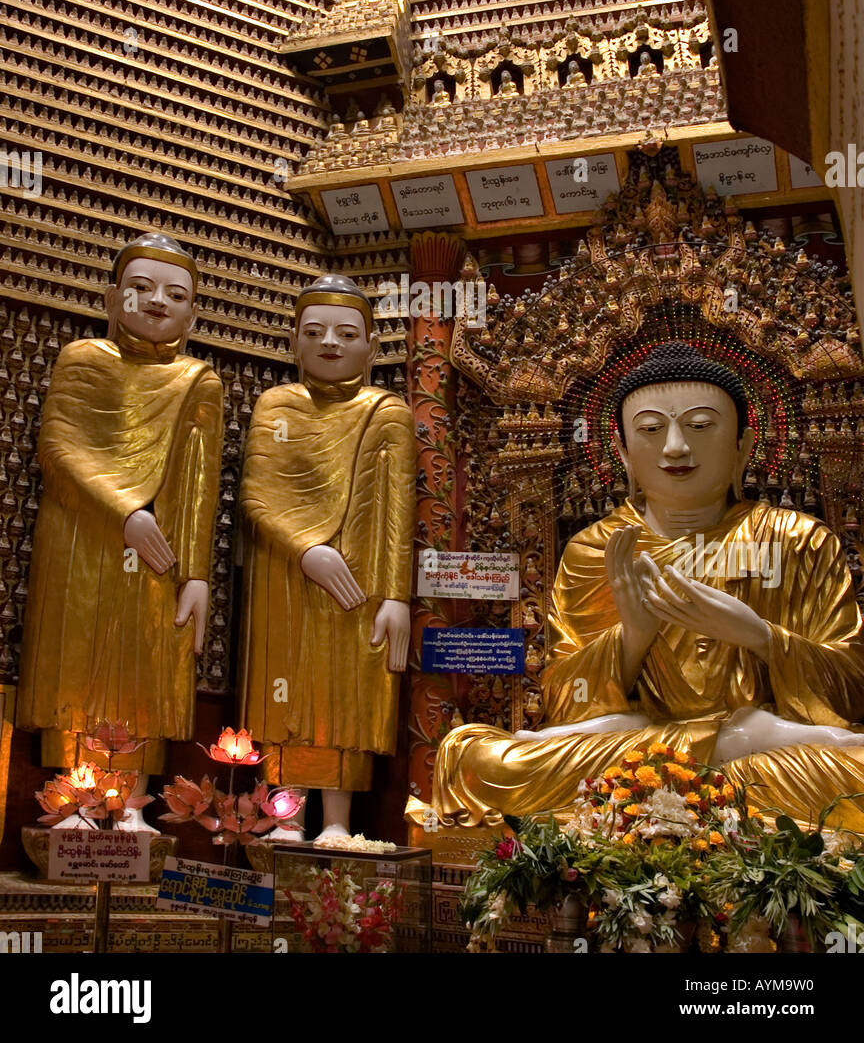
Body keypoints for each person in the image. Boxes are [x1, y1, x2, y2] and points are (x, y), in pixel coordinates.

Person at [417, 342, 864, 829]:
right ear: (625, 455)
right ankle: (726, 745)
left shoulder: (798, 541)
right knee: (476, 760)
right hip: (656, 746)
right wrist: (631, 637)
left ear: (744, 446)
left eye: (699, 426)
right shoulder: (597, 550)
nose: (675, 447)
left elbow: (847, 696)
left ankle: (721, 753)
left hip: (757, 755)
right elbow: (566, 703)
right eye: (651, 430)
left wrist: (758, 636)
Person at [16, 232, 223, 823]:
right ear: (111, 299)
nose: (158, 302)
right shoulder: (83, 358)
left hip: (162, 550)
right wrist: (123, 511)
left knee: (150, 655)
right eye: (140, 289)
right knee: (76, 654)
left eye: (175, 294)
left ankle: (131, 800)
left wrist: (199, 575)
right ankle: (74, 797)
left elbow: (198, 487)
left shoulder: (198, 380)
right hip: (81, 534)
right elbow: (58, 446)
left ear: (192, 311)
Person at [238, 274, 415, 839]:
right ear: (294, 343)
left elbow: (396, 513)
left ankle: (338, 824)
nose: (330, 343)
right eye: (313, 332)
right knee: (286, 685)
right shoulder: (277, 405)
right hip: (287, 573)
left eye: (346, 333)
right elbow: (256, 496)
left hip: (360, 579)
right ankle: (286, 816)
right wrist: (305, 549)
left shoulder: (386, 412)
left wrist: (397, 595)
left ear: (371, 347)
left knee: (349, 693)